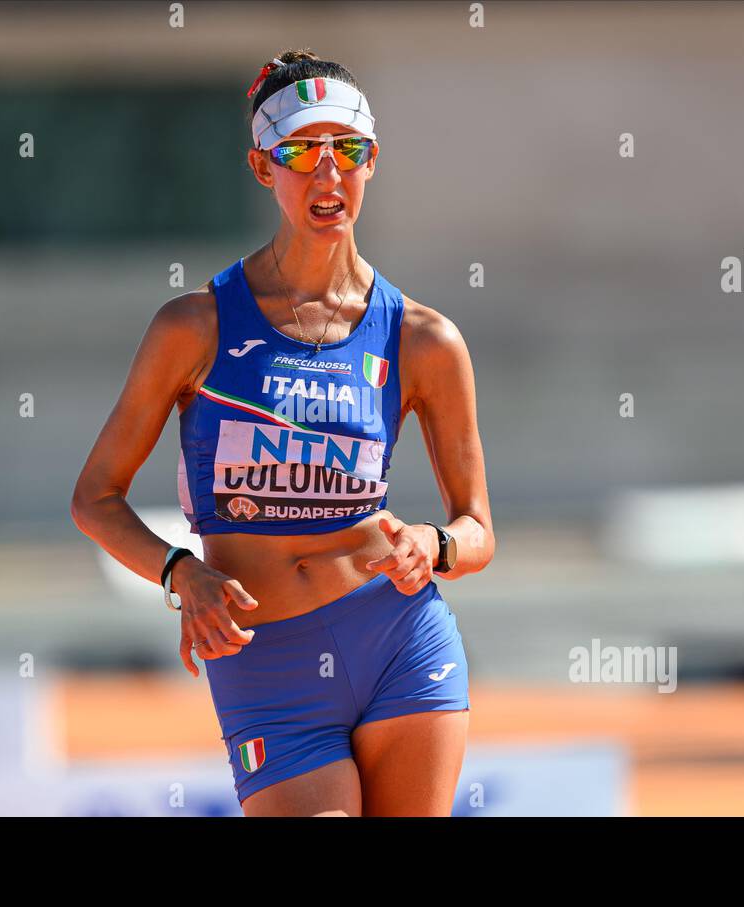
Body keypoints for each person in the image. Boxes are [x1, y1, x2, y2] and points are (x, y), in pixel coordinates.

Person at [71, 48, 494, 816]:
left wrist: (433, 545)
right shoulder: (193, 326)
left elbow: (478, 530)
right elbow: (95, 498)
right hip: (266, 660)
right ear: (263, 166)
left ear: (371, 164)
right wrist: (179, 573)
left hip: (399, 636)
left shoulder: (425, 339)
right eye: (301, 151)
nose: (327, 173)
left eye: (348, 151)